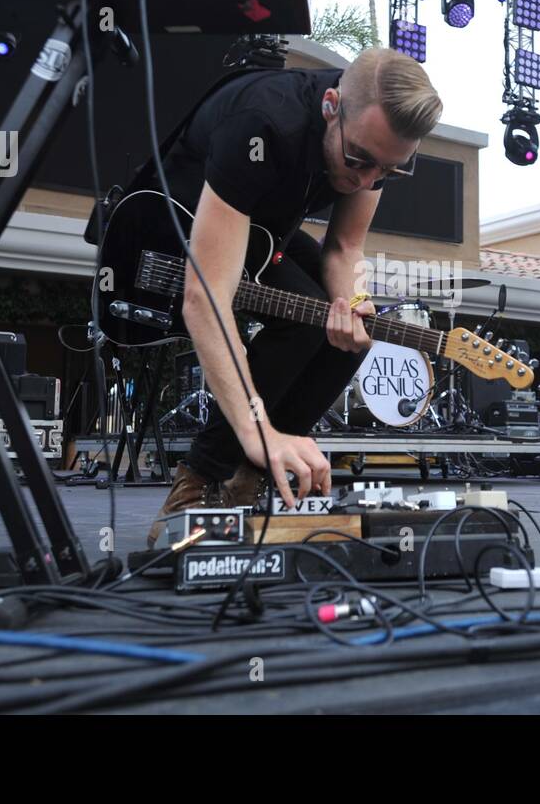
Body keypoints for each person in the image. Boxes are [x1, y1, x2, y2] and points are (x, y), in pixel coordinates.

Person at [141, 49, 443, 546]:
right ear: (331, 105)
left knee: (348, 334)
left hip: (262, 232)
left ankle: (251, 480)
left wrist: (351, 303)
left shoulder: (372, 143)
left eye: (388, 172)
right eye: (359, 161)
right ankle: (196, 482)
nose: (367, 181)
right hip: (172, 227)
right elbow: (206, 297)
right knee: (306, 319)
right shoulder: (263, 122)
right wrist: (256, 428)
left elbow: (345, 248)